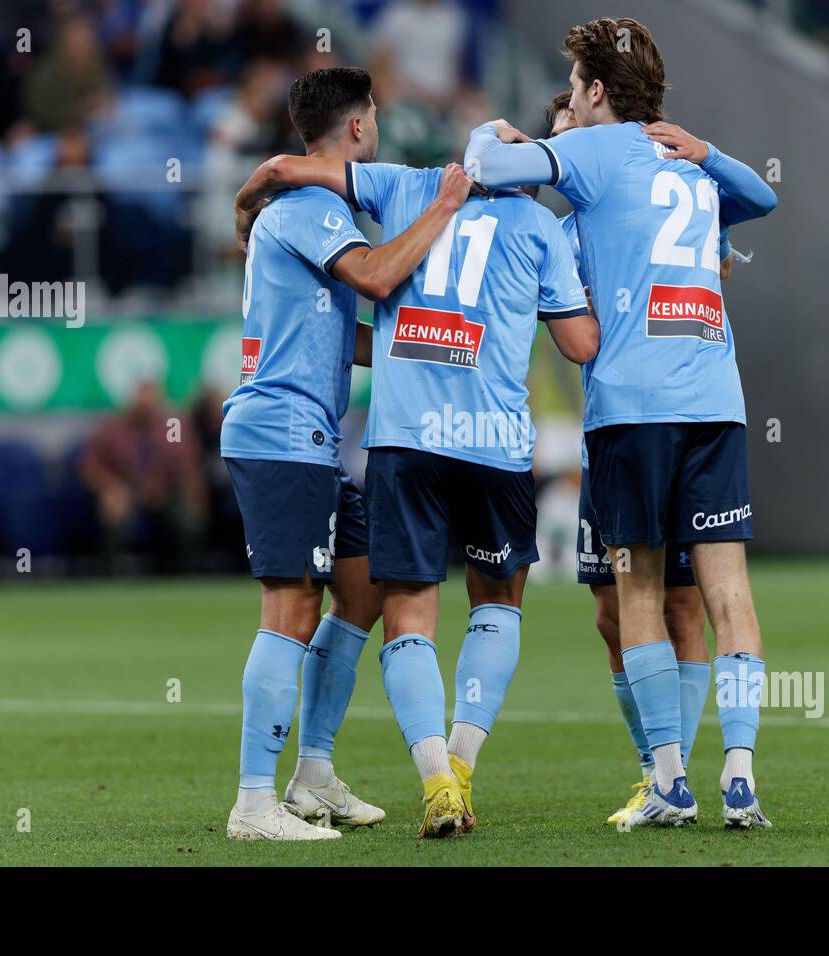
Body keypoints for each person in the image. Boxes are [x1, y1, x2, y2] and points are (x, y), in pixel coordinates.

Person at [235, 128, 598, 839]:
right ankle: (455, 768)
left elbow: (282, 167)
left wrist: (246, 211)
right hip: (494, 446)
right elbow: (580, 344)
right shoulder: (538, 225)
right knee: (497, 605)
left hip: (403, 442)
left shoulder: (405, 184)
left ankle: (420, 779)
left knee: (399, 611)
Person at [463, 16, 777, 830]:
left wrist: (493, 131)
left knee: (635, 588)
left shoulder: (599, 150)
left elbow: (489, 165)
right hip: (716, 401)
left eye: (570, 89)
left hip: (636, 409)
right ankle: (740, 775)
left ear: (595, 93)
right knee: (728, 591)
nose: (564, 101)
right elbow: (765, 197)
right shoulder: (691, 170)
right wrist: (707, 151)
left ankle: (669, 778)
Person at [224, 67, 473, 842]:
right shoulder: (307, 207)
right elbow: (374, 274)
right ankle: (253, 803)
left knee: (360, 591)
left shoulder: (296, 206)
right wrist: (442, 208)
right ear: (360, 130)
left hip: (311, 438)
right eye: (376, 119)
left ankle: (312, 773)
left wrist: (442, 348)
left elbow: (353, 333)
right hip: (280, 430)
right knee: (293, 607)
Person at [79, 379, 207, 574]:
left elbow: (189, 467)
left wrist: (194, 498)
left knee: (187, 519)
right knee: (113, 515)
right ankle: (113, 574)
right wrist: (110, 487)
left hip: (165, 495)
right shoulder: (113, 428)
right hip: (127, 493)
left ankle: (183, 576)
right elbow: (89, 464)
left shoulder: (174, 426)